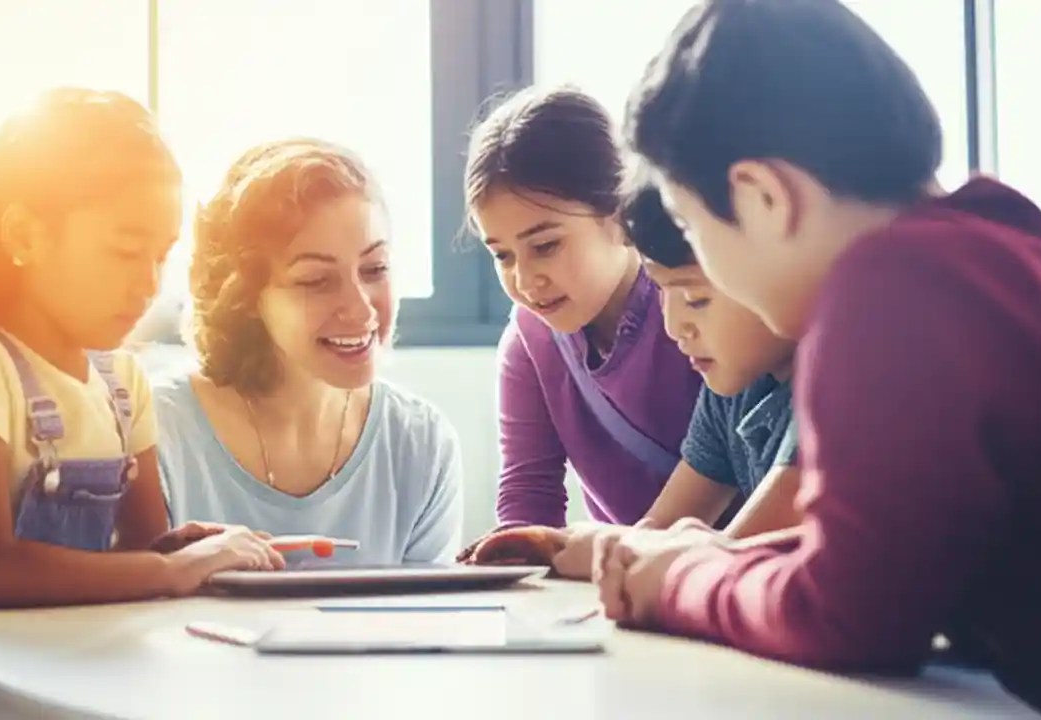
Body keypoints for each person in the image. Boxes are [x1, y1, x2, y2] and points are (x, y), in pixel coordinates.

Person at [596, 2, 1041, 718]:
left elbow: (847, 619)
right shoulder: (997, 226)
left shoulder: (883, 288)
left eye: (690, 224)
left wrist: (678, 583)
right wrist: (722, 559)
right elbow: (888, 558)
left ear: (763, 197)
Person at [0, 89, 281, 719]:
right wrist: (172, 570)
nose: (148, 284)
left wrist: (189, 549)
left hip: (32, 662)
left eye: (161, 257)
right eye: (124, 251)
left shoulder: (123, 383)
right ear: (25, 234)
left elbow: (138, 555)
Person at [463, 184, 801, 573]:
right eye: (663, 292)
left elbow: (727, 566)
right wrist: (564, 547)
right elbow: (655, 533)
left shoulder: (832, 393)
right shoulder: (728, 390)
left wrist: (607, 556)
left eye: (696, 300)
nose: (674, 327)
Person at [155, 139, 463, 566]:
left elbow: (431, 608)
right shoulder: (158, 432)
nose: (361, 309)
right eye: (317, 281)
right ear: (245, 296)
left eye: (375, 269)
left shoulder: (420, 444)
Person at [461, 86, 704, 548]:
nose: (525, 280)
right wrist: (510, 555)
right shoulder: (531, 339)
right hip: (623, 576)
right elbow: (529, 494)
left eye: (545, 245)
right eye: (502, 255)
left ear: (619, 213)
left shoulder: (697, 309)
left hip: (724, 570)